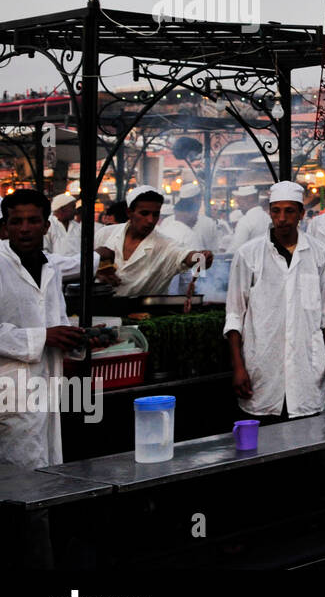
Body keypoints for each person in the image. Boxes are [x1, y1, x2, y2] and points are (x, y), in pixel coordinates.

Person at [226, 181, 325, 421]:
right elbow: (235, 314)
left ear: (301, 213)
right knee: (264, 442)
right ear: (270, 212)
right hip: (262, 365)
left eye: (289, 211)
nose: (282, 218)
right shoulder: (248, 254)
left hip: (307, 366)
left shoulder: (319, 253)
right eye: (276, 211)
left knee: (308, 435)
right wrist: (238, 367)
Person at [0, 190, 87, 468]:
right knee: (17, 478)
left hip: (45, 384)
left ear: (47, 225)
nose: (25, 229)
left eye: (33, 221)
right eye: (16, 222)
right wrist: (43, 337)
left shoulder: (51, 268)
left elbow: (56, 323)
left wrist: (75, 339)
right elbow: (45, 333)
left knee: (45, 472)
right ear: (5, 227)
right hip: (8, 389)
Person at [94, 186, 214, 297]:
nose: (150, 220)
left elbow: (185, 255)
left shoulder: (165, 245)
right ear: (129, 213)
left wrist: (200, 257)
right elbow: (81, 267)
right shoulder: (105, 234)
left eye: (155, 214)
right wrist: (96, 271)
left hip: (144, 315)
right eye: (144, 213)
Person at [228, 185, 270, 253]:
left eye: (240, 199)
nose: (238, 202)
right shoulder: (268, 218)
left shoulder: (246, 221)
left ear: (250, 199)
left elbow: (235, 250)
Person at [43, 193, 80, 257]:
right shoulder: (48, 225)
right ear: (62, 209)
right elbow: (45, 252)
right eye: (73, 207)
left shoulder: (77, 226)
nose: (75, 211)